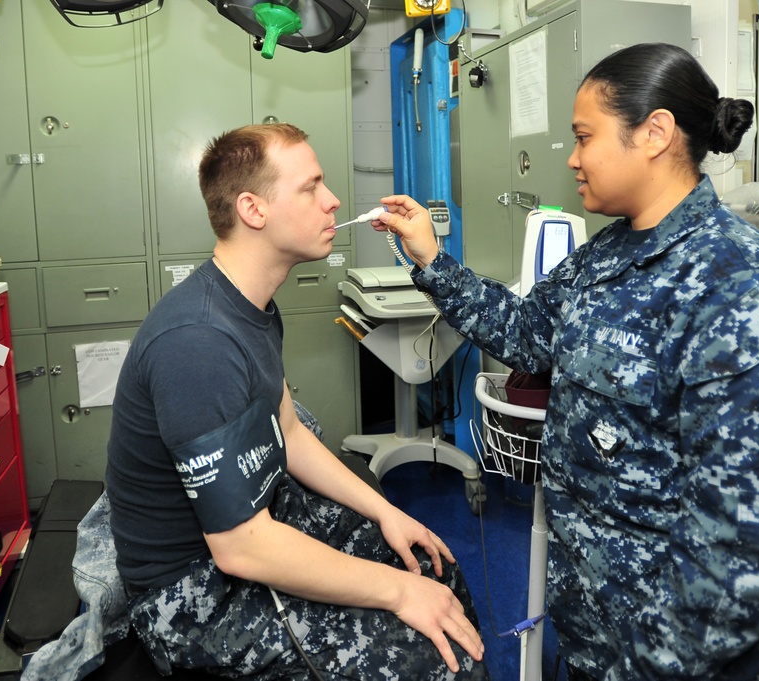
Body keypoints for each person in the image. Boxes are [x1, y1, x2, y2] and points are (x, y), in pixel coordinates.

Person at [374, 43, 759, 680]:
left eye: (584, 136)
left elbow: (752, 560)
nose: (572, 157)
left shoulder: (747, 294)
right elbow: (527, 332)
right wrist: (432, 259)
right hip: (594, 631)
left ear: (654, 133)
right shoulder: (607, 255)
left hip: (672, 659)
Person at [104, 123, 488, 680]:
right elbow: (241, 550)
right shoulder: (198, 343)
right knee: (431, 656)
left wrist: (388, 513)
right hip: (196, 592)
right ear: (254, 210)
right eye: (311, 187)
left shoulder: (252, 306)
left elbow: (290, 430)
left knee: (435, 566)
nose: (332, 200)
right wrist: (398, 593)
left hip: (260, 519)